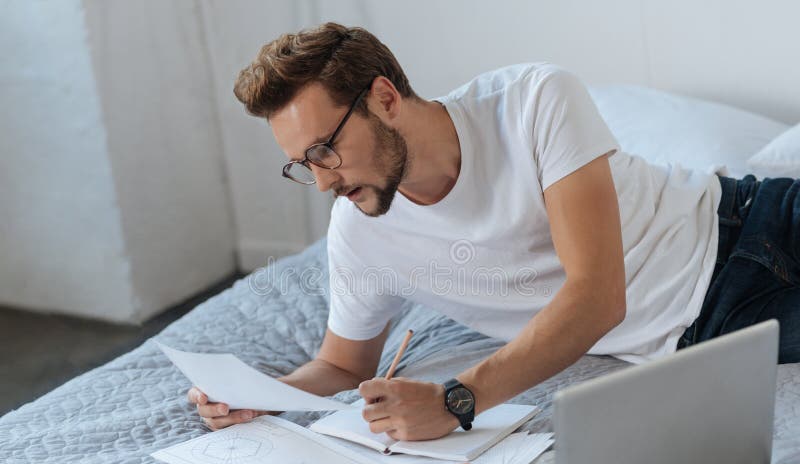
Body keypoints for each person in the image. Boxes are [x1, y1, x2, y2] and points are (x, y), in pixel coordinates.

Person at [188, 22, 800, 437]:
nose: (322, 182)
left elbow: (596, 297)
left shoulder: (533, 102)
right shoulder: (360, 230)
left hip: (751, 218)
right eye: (303, 164)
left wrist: (458, 400)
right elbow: (343, 367)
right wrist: (267, 393)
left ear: (383, 98)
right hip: (720, 322)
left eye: (326, 150)